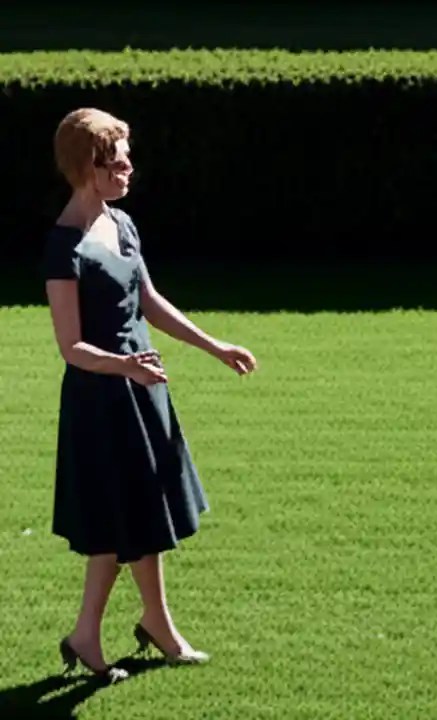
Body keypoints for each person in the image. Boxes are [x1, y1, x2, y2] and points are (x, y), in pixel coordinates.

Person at [43, 108, 259, 682]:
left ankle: (142, 623)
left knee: (142, 512)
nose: (129, 169)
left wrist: (214, 346)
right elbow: (70, 347)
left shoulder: (123, 224)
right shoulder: (64, 247)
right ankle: (103, 631)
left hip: (143, 387)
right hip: (101, 399)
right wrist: (125, 368)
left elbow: (149, 302)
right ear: (88, 167)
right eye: (118, 162)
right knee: (119, 518)